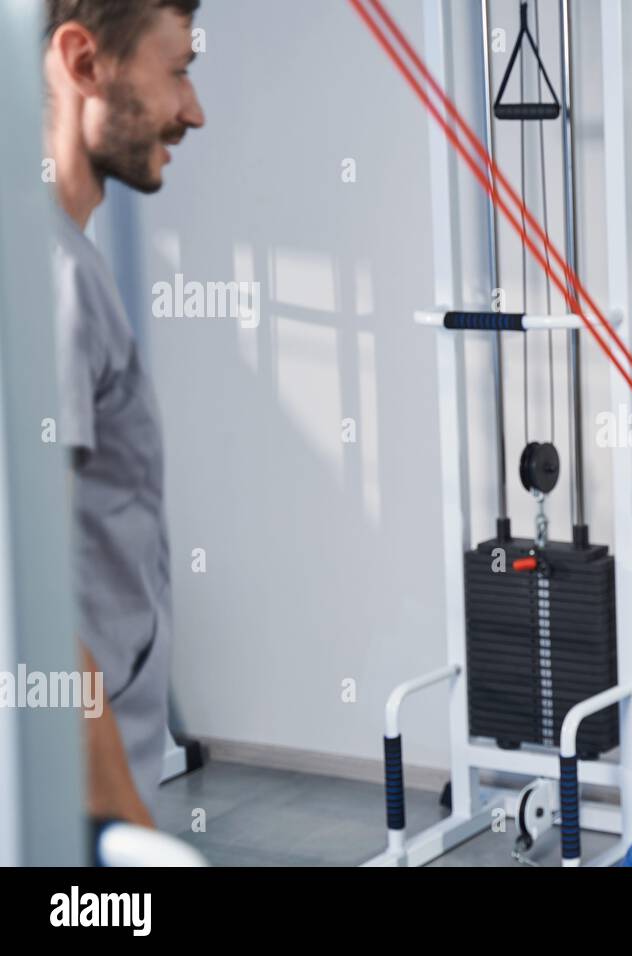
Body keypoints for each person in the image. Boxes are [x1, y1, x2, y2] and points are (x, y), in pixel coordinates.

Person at [43, 0, 205, 825]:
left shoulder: (70, 259)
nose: (194, 111)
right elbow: (27, 605)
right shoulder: (51, 278)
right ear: (82, 64)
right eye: (176, 69)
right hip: (83, 818)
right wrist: (128, 836)